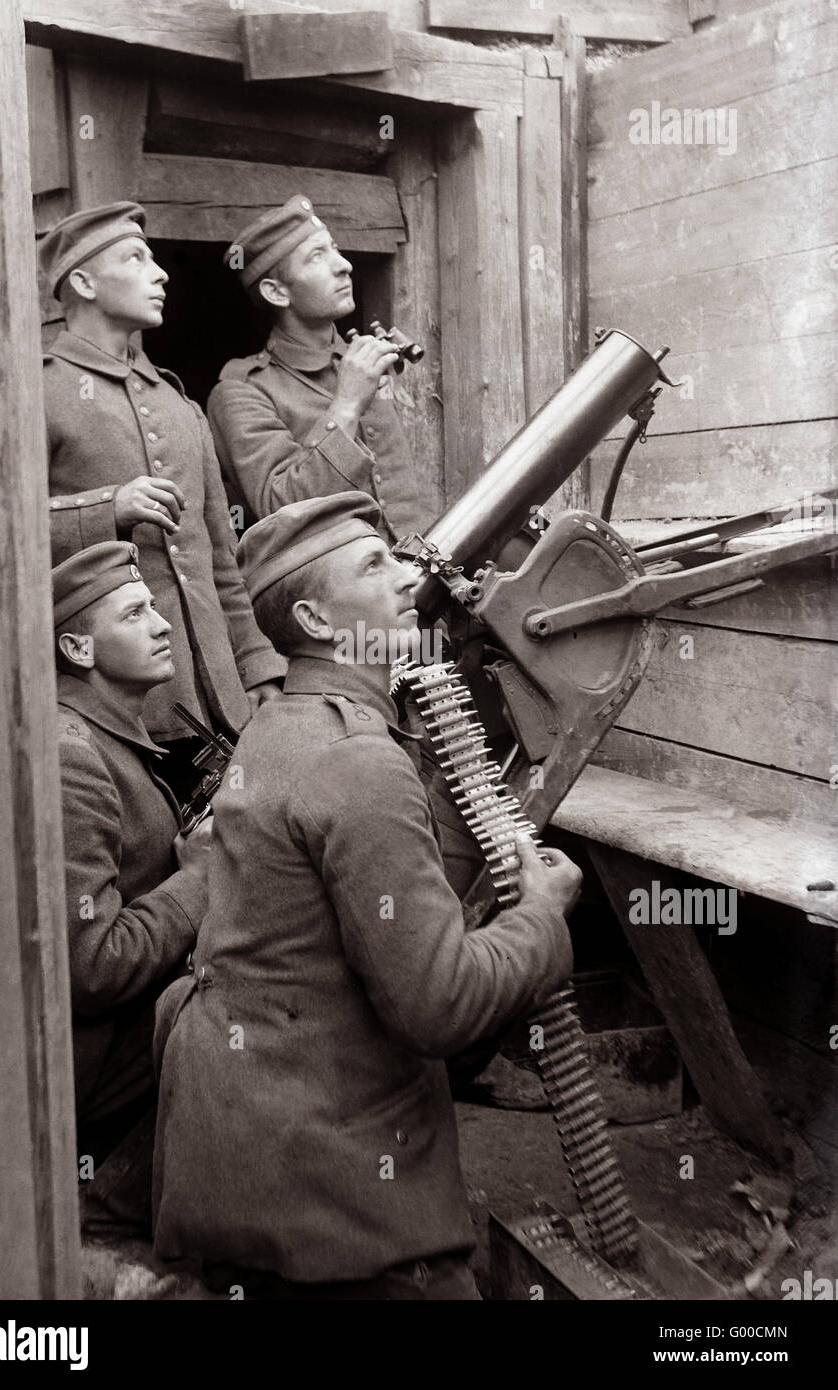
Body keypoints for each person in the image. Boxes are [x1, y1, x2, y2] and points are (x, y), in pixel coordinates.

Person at [152, 493, 582, 1299]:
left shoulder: (278, 724)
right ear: (316, 619)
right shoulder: (355, 758)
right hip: (332, 1180)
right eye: (373, 565)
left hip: (240, 1140)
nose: (408, 576)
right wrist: (540, 914)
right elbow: (438, 1006)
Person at [38, 201, 285, 790]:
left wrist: (256, 667)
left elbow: (220, 560)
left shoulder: (180, 405)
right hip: (106, 708)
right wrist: (106, 510)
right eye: (136, 258)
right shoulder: (37, 391)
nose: (161, 273)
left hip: (216, 702)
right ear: (83, 282)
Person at [53, 541, 211, 1221]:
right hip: (90, 1070)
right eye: (134, 614)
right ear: (78, 649)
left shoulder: (108, 733)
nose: (163, 623)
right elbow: (92, 968)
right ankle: (121, 1196)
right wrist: (200, 878)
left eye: (155, 606)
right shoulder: (74, 759)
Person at [207, 194, 426, 541]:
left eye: (334, 248)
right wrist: (347, 404)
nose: (344, 265)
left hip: (427, 561)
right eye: (317, 256)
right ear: (277, 293)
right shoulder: (241, 392)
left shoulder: (364, 358)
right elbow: (283, 508)